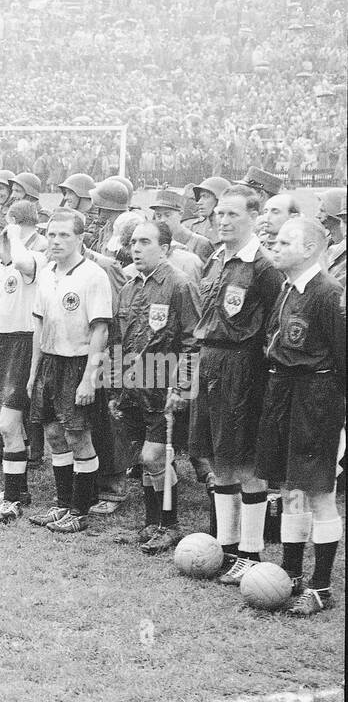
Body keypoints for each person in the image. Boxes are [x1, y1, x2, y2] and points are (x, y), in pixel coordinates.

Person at [189, 185, 284, 583]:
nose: (223, 221)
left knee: (245, 461)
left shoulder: (263, 266)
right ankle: (225, 547)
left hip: (244, 369)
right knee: (219, 458)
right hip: (210, 362)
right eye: (219, 215)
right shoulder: (215, 259)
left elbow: (276, 325)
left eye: (232, 216)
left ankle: (251, 550)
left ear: (252, 218)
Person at [257, 217, 345, 616]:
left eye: (285, 241)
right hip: (284, 391)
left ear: (310, 248)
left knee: (318, 492)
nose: (275, 246)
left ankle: (321, 586)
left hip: (317, 396)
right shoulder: (286, 288)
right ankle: (291, 573)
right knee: (291, 486)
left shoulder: (328, 294)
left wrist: (336, 412)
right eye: (274, 241)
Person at [114, 219, 201, 554]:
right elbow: (121, 341)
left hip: (163, 385)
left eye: (145, 242)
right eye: (133, 241)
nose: (136, 248)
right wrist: (115, 388)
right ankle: (151, 523)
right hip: (134, 385)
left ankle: (169, 524)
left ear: (165, 248)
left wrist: (182, 386)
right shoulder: (129, 286)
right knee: (146, 458)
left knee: (156, 456)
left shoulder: (179, 285)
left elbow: (193, 342)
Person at [27, 208, 113, 534]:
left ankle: (80, 509)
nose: (57, 241)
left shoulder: (93, 275)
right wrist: (34, 371)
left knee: (78, 435)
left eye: (65, 235)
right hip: (49, 361)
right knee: (52, 434)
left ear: (80, 237)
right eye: (52, 234)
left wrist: (89, 377)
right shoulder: (47, 273)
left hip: (77, 363)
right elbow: (39, 324)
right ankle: (62, 504)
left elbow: (100, 330)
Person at [0, 207, 45, 522]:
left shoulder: (33, 261)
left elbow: (22, 261)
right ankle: (18, 491)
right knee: (8, 425)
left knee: (9, 425)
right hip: (1, 344)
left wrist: (14, 234)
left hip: (24, 344)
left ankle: (12, 500)